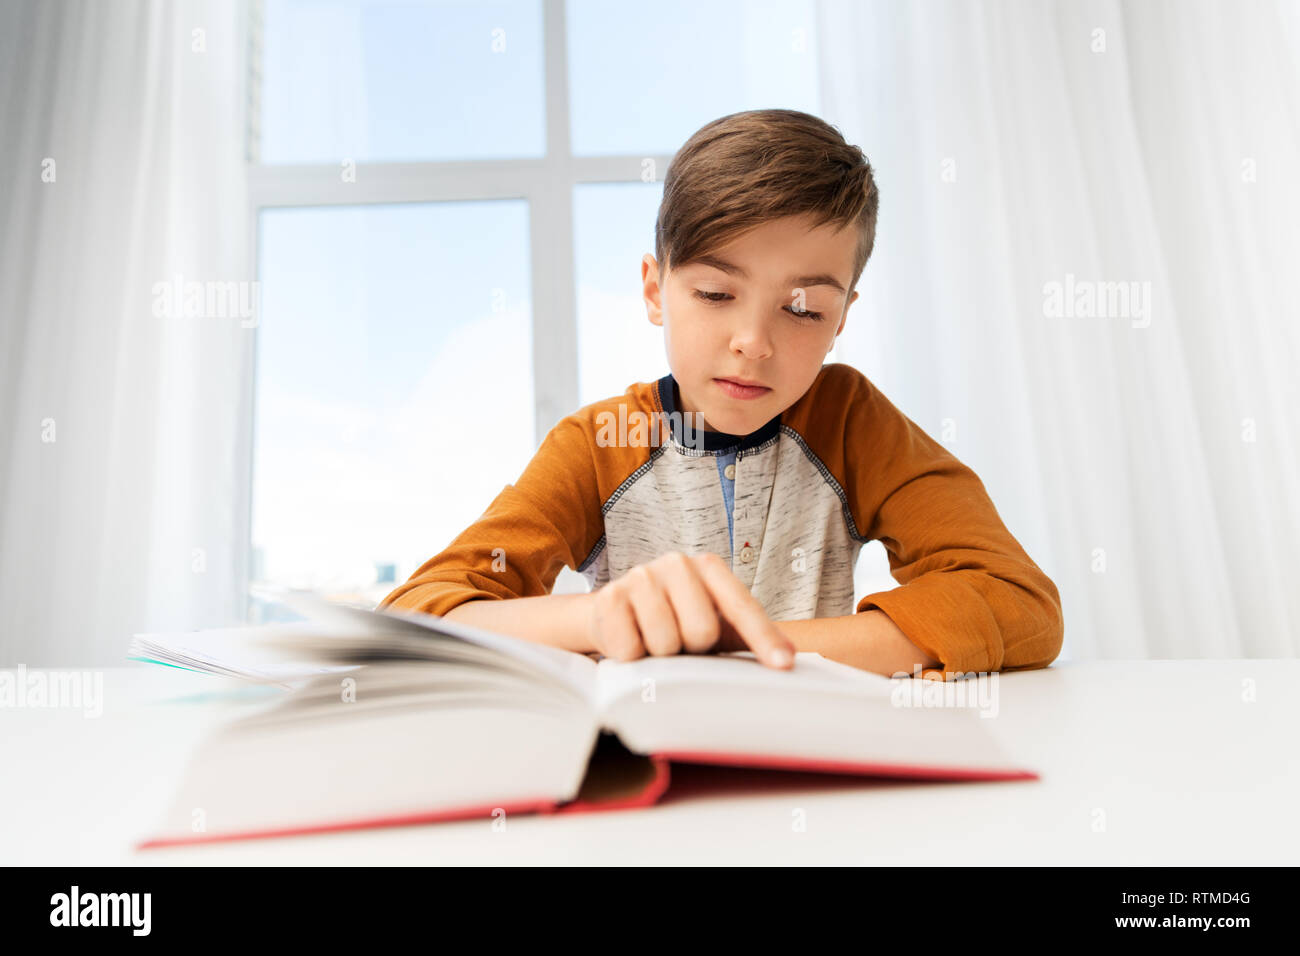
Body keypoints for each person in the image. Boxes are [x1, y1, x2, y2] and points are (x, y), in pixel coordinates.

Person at [380, 108, 1063, 681]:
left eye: (802, 310)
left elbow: (1017, 601)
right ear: (656, 290)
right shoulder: (597, 447)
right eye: (714, 294)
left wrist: (750, 650)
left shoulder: (852, 422)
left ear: (843, 319)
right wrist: (599, 620)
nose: (753, 342)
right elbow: (413, 619)